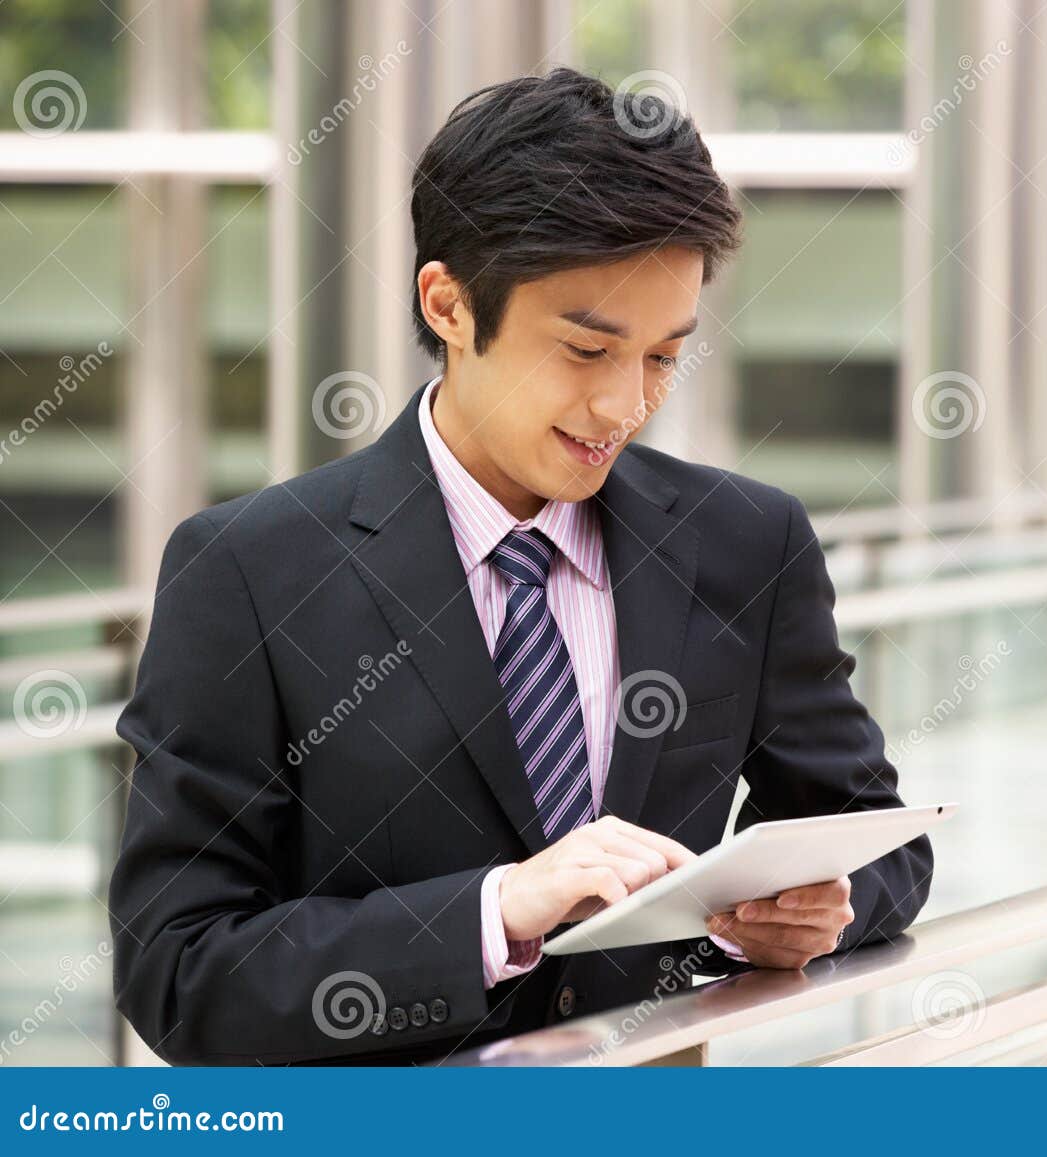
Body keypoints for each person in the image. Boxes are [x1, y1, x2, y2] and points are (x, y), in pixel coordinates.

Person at [108, 68, 932, 1065]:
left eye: (665, 356)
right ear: (449, 304)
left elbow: (874, 833)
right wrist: (495, 911)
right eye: (586, 351)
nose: (623, 406)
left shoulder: (745, 542)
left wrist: (812, 909)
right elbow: (180, 971)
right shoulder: (252, 571)